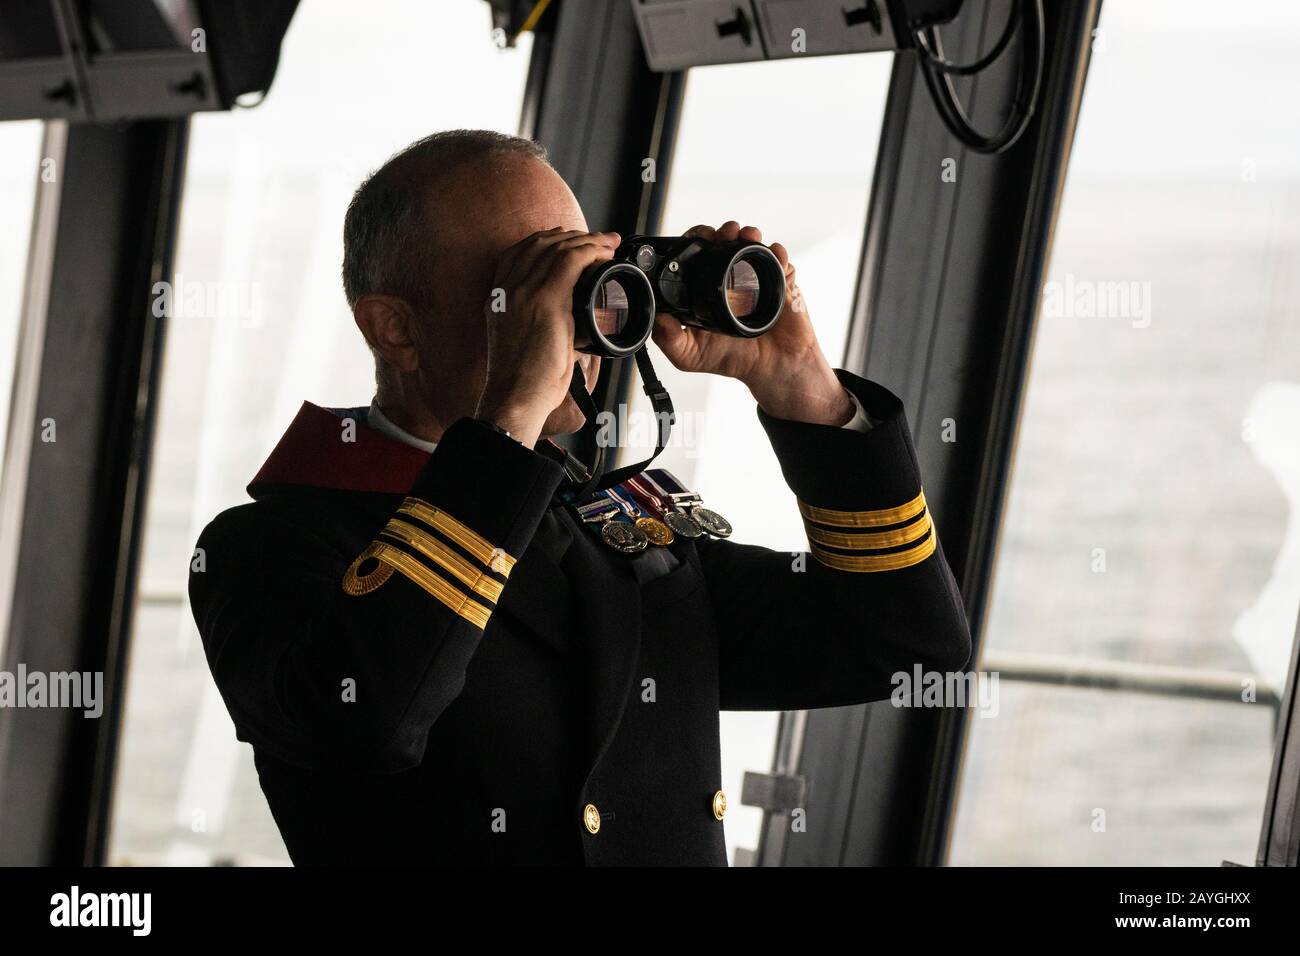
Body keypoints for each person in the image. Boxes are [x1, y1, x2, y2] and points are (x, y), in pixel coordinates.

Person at [190, 129, 971, 865]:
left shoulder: (611, 538)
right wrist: (512, 418)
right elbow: (373, 722)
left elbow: (905, 650)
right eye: (531, 288)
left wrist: (803, 389)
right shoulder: (263, 550)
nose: (582, 328)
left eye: (586, 279)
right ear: (396, 329)